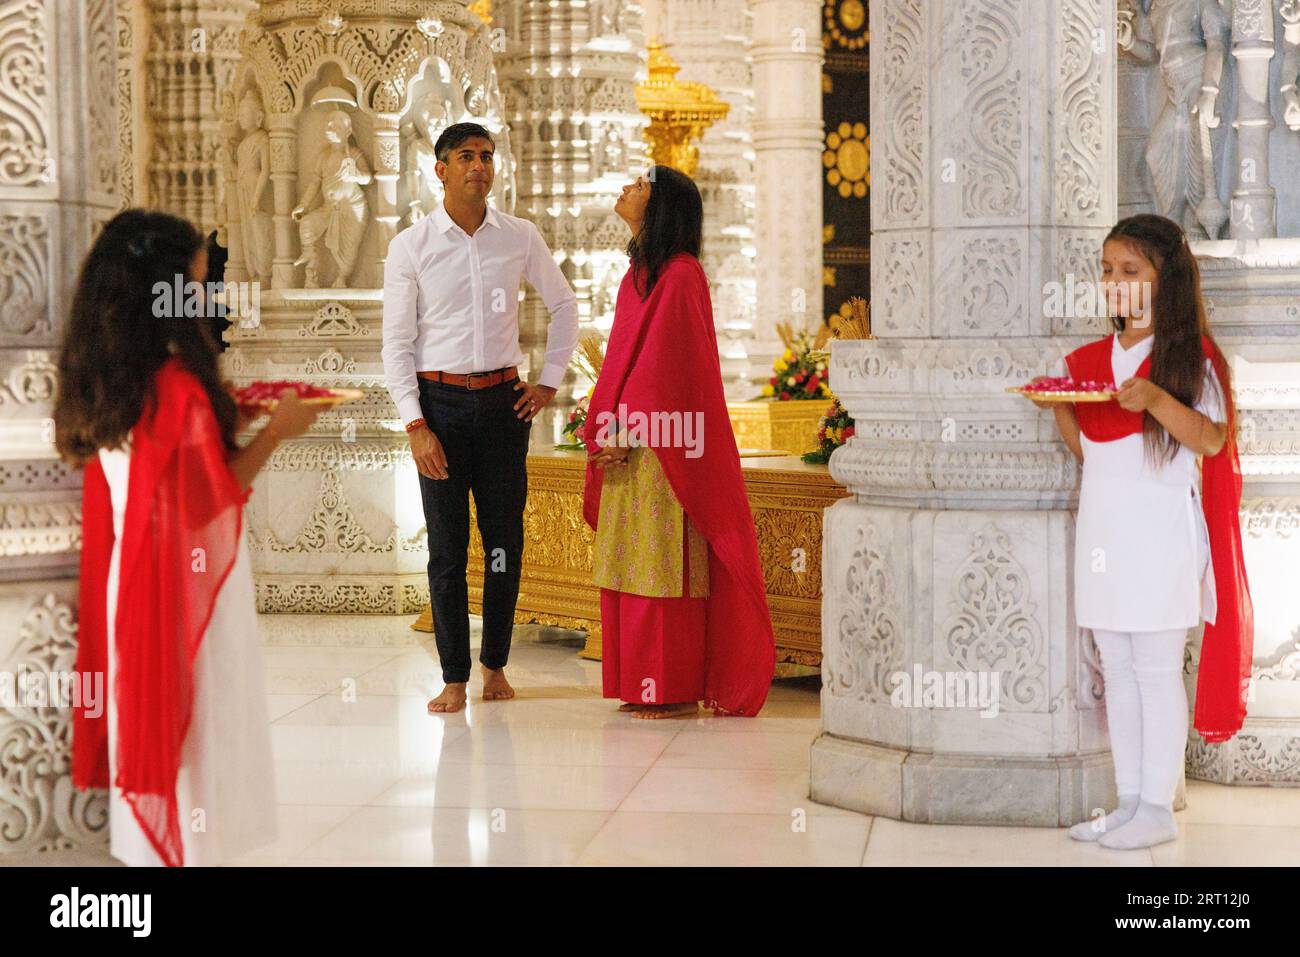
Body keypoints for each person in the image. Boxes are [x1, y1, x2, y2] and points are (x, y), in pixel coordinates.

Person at [56, 209, 320, 866]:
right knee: (202, 725)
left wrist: (227, 416)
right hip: (191, 588)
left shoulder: (110, 374)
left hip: (133, 582)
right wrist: (278, 430)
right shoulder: (174, 384)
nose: (206, 295)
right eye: (198, 282)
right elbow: (211, 498)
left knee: (153, 716)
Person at [1034, 213, 1253, 849]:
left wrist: (1155, 398)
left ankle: (1158, 804)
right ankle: (1129, 800)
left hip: (1161, 533)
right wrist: (1058, 409)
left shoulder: (1192, 359)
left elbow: (1211, 439)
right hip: (1104, 530)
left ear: (1166, 279)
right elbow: (1092, 452)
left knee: (1156, 669)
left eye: (1130, 270)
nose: (1114, 282)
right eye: (1106, 270)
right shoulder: (1090, 359)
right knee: (1118, 668)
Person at [382, 122, 579, 714]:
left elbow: (565, 304)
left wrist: (547, 383)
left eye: (487, 156)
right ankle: (453, 678)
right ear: (439, 169)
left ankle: (495, 667)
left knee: (503, 541)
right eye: (466, 156)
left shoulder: (517, 237)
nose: (479, 166)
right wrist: (415, 426)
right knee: (446, 548)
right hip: (437, 408)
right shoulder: (411, 246)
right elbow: (396, 343)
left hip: (501, 406)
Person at [583, 166, 776, 719]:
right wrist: (603, 428)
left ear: (663, 204)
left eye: (640, 185)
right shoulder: (638, 275)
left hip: (667, 450)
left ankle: (668, 686)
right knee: (627, 564)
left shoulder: (683, 274)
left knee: (662, 567)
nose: (625, 188)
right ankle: (634, 682)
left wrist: (624, 427)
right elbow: (621, 360)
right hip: (624, 443)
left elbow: (673, 369)